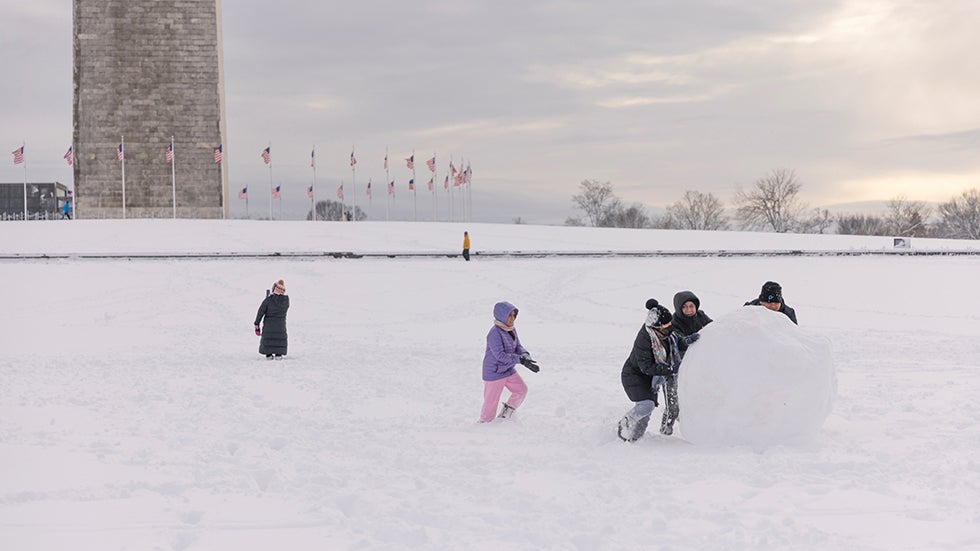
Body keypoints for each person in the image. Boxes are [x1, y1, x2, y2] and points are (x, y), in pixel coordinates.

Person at [618, 299, 700, 442]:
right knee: (646, 406)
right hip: (635, 376)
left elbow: (676, 341)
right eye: (666, 325)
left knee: (646, 414)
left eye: (670, 324)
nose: (670, 327)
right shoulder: (645, 339)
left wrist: (686, 341)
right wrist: (669, 369)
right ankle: (624, 424)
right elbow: (646, 366)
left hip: (651, 379)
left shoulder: (665, 332)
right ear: (656, 327)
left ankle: (634, 440)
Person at [660, 291, 714, 435]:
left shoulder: (701, 316)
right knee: (673, 405)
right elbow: (678, 341)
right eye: (685, 307)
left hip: (696, 365)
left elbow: (714, 328)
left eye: (691, 306)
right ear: (679, 308)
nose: (689, 310)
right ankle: (665, 430)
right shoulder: (673, 322)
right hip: (675, 367)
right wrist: (687, 340)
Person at [480, 301, 539, 422]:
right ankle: (484, 424)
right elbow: (500, 356)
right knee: (491, 402)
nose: (512, 318)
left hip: (507, 369)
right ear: (502, 316)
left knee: (521, 390)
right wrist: (520, 360)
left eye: (514, 315)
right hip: (494, 371)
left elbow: (518, 346)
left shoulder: (511, 329)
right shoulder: (494, 333)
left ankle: (505, 415)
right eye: (509, 315)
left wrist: (525, 356)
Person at [254, 279, 289, 360]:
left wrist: (257, 324)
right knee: (279, 339)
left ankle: (269, 355)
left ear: (274, 289)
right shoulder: (286, 301)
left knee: (269, 338)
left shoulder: (268, 300)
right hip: (281, 326)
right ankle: (278, 355)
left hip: (268, 326)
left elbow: (260, 313)